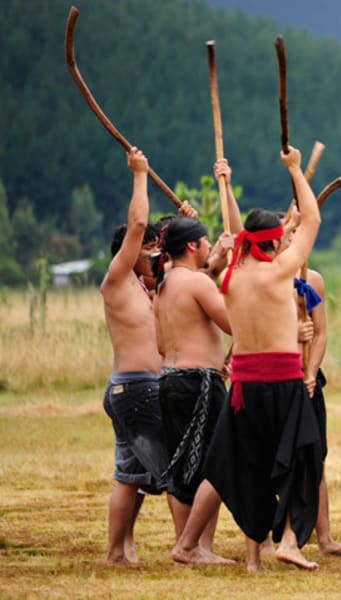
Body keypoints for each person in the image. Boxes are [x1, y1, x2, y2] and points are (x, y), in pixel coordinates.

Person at [171, 145, 323, 572]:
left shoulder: (230, 277)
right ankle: (289, 539)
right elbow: (312, 219)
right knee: (304, 456)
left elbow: (237, 234)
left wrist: (227, 188)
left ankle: (187, 542)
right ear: (273, 242)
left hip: (243, 388)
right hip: (283, 383)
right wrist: (296, 172)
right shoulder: (280, 273)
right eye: (281, 235)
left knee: (229, 468)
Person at [99, 147, 168, 565]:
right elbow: (139, 223)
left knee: (132, 475)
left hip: (139, 387)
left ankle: (119, 551)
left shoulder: (147, 289)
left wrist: (185, 229)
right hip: (134, 388)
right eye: (147, 249)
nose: (153, 255)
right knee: (173, 472)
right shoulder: (117, 280)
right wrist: (140, 174)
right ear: (128, 251)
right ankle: (190, 545)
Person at [153, 214, 232, 555]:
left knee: (180, 464)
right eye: (206, 243)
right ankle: (193, 546)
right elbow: (233, 323)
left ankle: (190, 543)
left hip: (169, 379)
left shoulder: (163, 284)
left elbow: (159, 345)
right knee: (215, 463)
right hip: (199, 381)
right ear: (192, 246)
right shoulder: (197, 283)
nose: (210, 248)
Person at [294, 266, 341, 557]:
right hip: (275, 378)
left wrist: (311, 372)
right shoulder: (263, 275)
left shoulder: (313, 279)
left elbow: (320, 334)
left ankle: (325, 538)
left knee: (315, 456)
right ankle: (267, 540)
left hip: (306, 378)